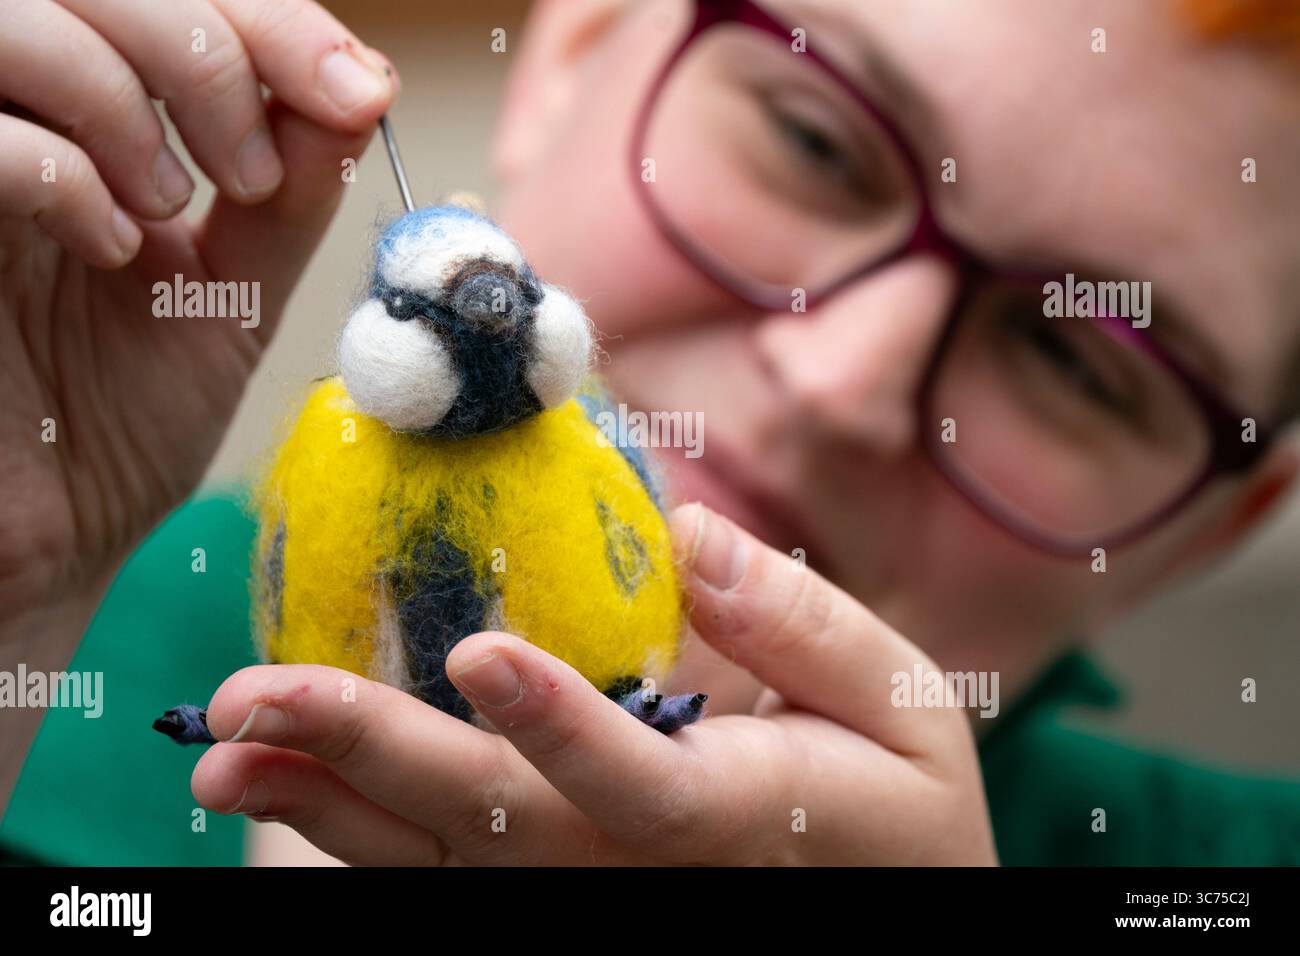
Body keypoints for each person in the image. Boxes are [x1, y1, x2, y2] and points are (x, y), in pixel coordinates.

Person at [2, 0, 1299, 866]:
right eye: (812, 139)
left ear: (1215, 528)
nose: (836, 380)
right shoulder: (62, 677)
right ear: (571, 50)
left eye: (1081, 356)